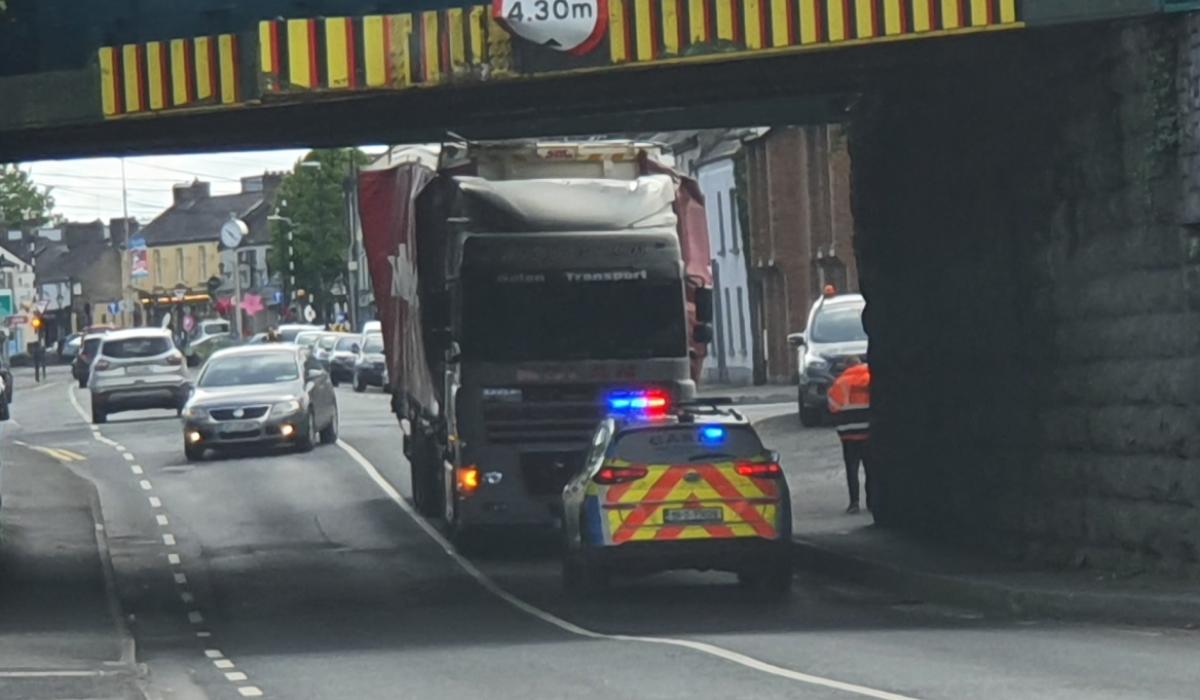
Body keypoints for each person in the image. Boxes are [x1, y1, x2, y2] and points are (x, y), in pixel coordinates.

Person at [827, 356, 871, 514]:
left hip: (849, 434)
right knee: (871, 469)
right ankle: (872, 501)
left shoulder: (840, 383)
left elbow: (832, 406)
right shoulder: (870, 379)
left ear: (846, 366)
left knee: (852, 469)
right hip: (869, 432)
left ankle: (854, 503)